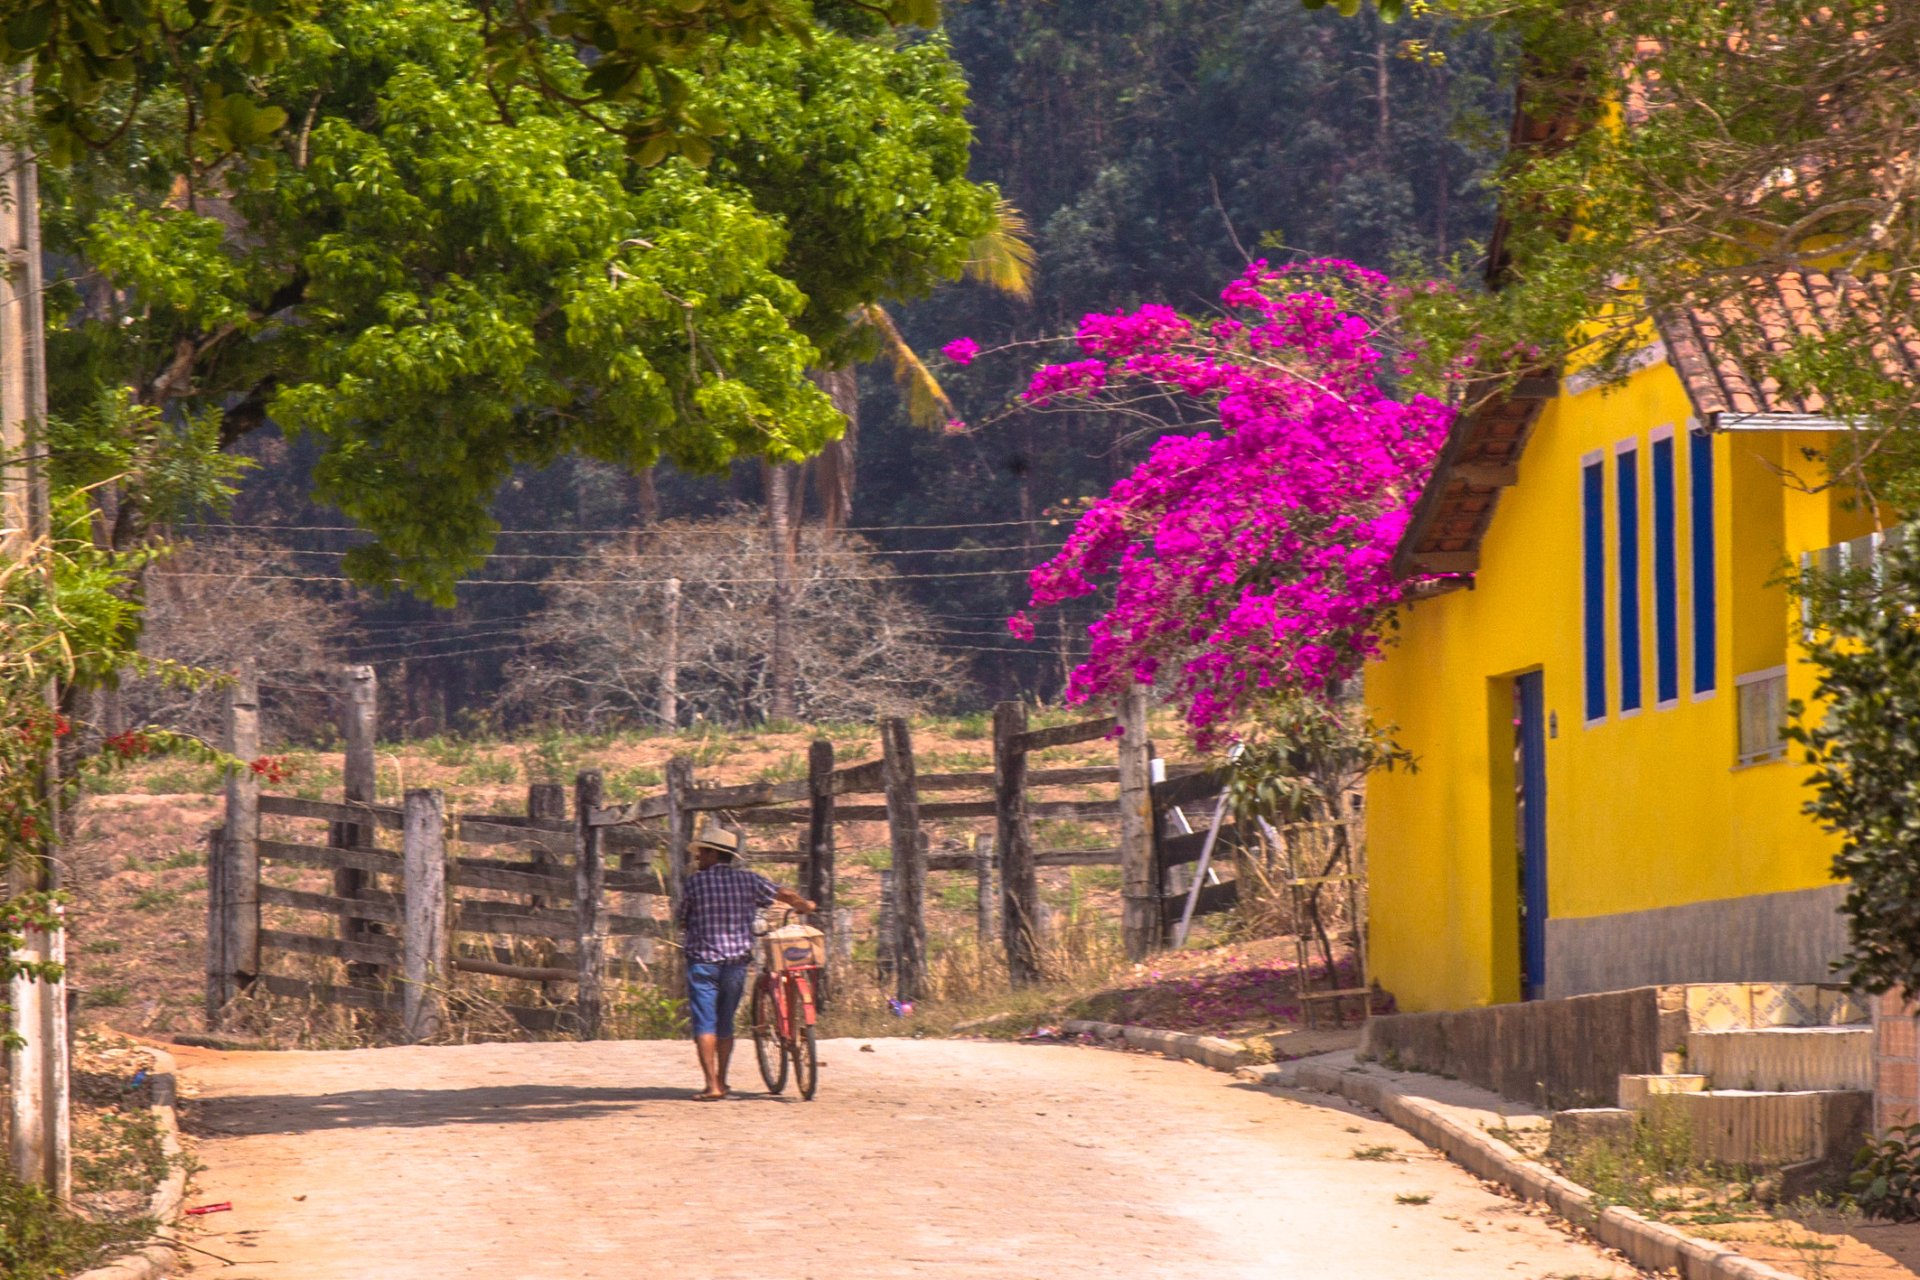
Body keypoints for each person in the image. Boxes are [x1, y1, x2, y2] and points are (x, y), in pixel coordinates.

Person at [676, 823, 815, 1100]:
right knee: (725, 1022)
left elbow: (681, 917)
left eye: (702, 853)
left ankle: (712, 1085)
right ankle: (724, 1081)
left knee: (705, 1023)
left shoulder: (694, 883)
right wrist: (805, 906)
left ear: (714, 855)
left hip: (703, 962)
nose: (698, 859)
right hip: (736, 963)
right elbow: (784, 893)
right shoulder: (749, 880)